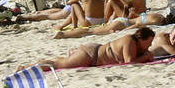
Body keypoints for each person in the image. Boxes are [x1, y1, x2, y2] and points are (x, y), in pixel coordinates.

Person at [26, 27, 157, 71]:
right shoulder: (130, 42)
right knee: (57, 65)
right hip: (91, 55)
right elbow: (129, 62)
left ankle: (40, 61)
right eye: (149, 42)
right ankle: (26, 68)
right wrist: (145, 57)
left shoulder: (134, 43)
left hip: (94, 52)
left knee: (59, 62)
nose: (150, 46)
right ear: (141, 39)